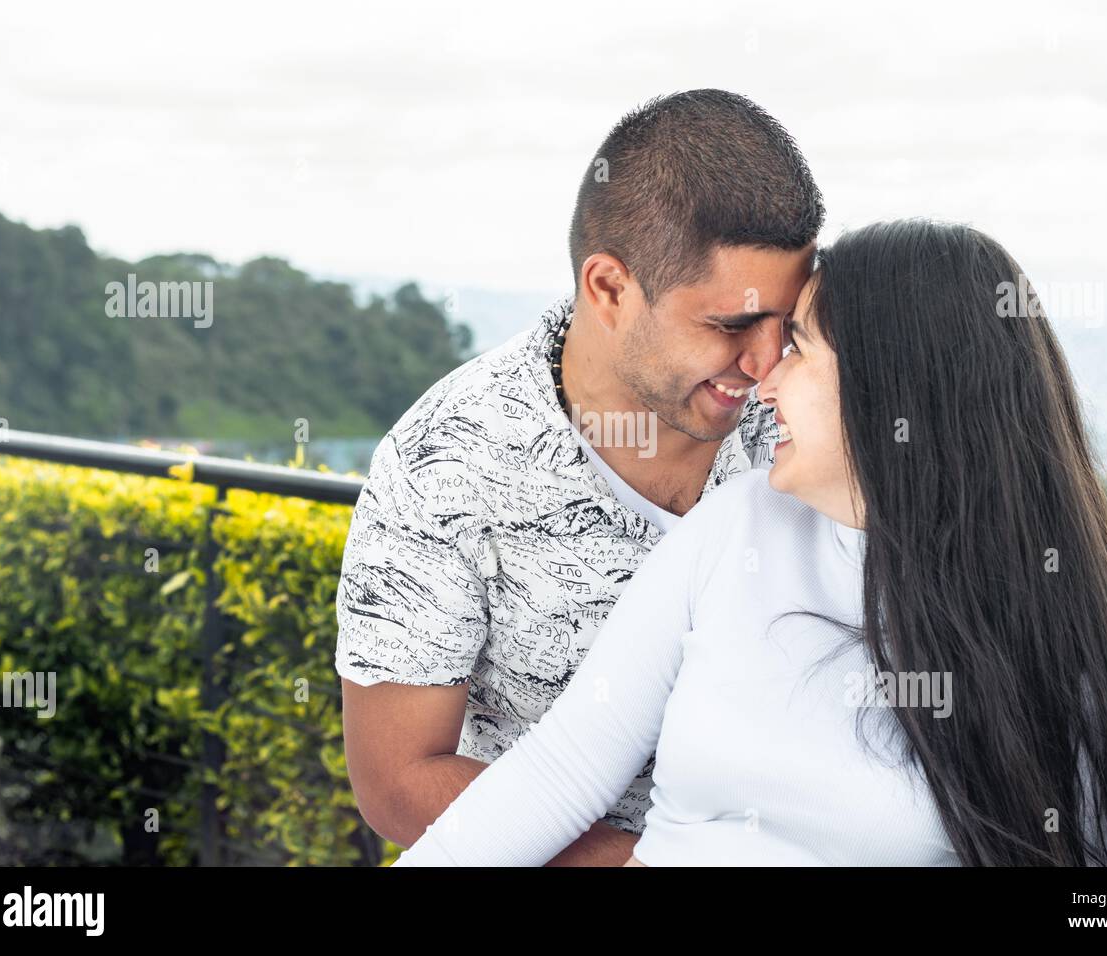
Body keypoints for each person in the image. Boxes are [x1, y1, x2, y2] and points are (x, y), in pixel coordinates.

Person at [393, 219, 1107, 867]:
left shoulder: (1056, 646)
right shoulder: (737, 525)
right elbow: (557, 774)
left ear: (897, 387)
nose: (764, 379)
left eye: (799, 347)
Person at [335, 89, 822, 865]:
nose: (767, 364)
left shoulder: (815, 422)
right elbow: (398, 780)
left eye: (790, 324)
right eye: (730, 325)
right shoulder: (446, 459)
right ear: (610, 289)